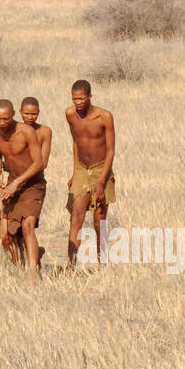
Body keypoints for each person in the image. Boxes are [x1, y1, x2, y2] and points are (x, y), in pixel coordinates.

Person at [0, 99, 47, 277]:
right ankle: (23, 265)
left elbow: (39, 163)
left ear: (14, 115)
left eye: (6, 118)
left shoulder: (26, 132)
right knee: (6, 236)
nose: (2, 122)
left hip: (32, 184)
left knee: (28, 224)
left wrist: (17, 183)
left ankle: (32, 272)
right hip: (11, 184)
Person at [65, 80, 116, 268]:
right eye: (74, 99)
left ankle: (103, 265)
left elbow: (111, 151)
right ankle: (70, 266)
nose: (77, 102)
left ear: (90, 96)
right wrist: (74, 173)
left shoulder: (104, 117)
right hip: (81, 170)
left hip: (101, 169)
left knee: (99, 221)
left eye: (81, 98)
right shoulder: (70, 114)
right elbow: (76, 143)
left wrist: (102, 181)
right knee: (76, 216)